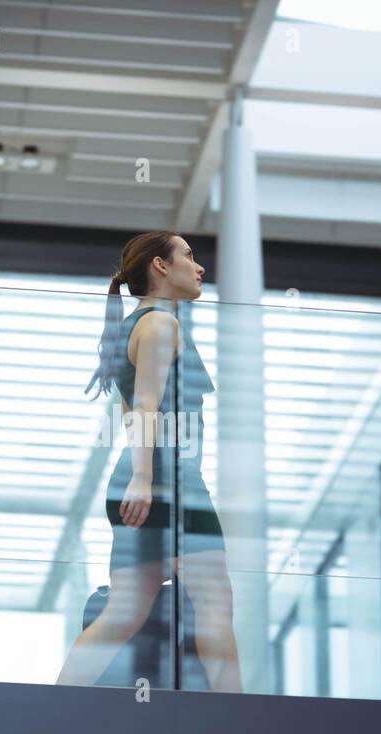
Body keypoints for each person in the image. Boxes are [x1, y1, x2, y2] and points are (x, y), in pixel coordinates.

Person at [55, 231, 242, 692]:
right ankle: (239, 726)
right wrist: (145, 480)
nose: (199, 268)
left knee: (125, 612)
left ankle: (55, 703)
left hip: (150, 481)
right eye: (189, 257)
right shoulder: (161, 325)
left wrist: (140, 480)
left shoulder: (135, 326)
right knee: (216, 606)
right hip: (167, 483)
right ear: (161, 266)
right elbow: (144, 411)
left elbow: (131, 411)